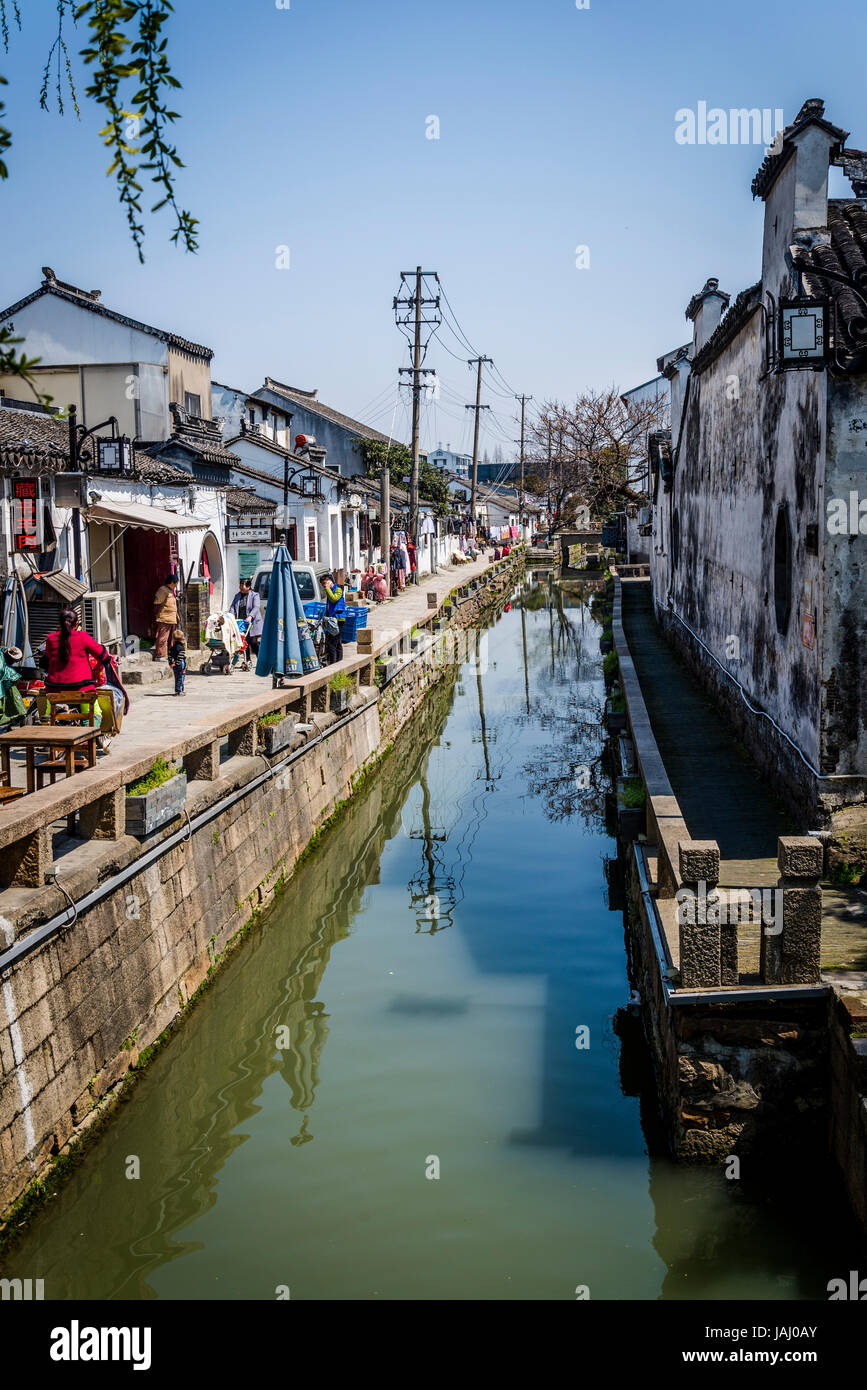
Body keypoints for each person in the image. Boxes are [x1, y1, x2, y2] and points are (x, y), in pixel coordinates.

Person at [43, 606, 111, 695]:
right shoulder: (83, 637)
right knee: (94, 709)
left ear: (60, 624)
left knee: (49, 709)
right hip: (82, 688)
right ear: (76, 624)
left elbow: (47, 659)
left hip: (55, 689)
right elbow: (102, 655)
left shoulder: (51, 638)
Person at [230, 577, 263, 658]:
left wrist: (250, 616)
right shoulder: (237, 596)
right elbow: (232, 607)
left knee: (253, 642)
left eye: (242, 586)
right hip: (241, 623)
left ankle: (260, 658)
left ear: (248, 587)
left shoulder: (255, 595)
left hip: (252, 622)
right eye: (240, 586)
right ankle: (247, 660)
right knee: (244, 642)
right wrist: (230, 616)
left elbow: (256, 607)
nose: (240, 588)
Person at [321, 572, 346, 665]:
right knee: (337, 642)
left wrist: (327, 589)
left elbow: (334, 599)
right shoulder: (331, 590)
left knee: (332, 643)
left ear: (329, 581)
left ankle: (333, 664)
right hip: (332, 618)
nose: (324, 586)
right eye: (323, 584)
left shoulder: (338, 590)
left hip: (338, 619)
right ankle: (339, 662)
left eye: (325, 583)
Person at [153, 573, 178, 662]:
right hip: (164, 618)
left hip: (172, 618)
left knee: (172, 639)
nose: (175, 586)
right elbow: (157, 603)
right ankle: (159, 655)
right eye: (175, 584)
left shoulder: (170, 590)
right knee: (162, 638)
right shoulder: (163, 590)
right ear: (172, 582)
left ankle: (171, 655)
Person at [168, 627, 187, 696]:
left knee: (177, 677)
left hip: (174, 665)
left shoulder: (172, 648)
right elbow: (180, 657)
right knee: (181, 677)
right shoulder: (181, 648)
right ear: (182, 638)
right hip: (180, 664)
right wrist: (176, 663)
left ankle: (179, 690)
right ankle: (179, 691)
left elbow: (169, 655)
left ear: (173, 639)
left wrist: (171, 663)